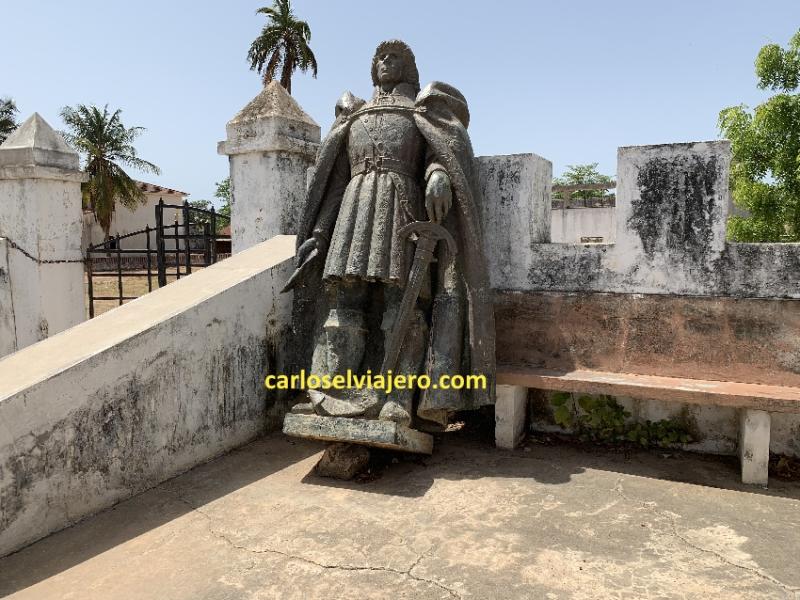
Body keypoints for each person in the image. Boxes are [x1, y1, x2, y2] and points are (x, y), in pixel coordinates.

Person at [289, 39, 495, 428]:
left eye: (394, 56)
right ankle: (328, 392)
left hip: (402, 211)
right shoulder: (355, 115)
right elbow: (334, 182)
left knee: (402, 307)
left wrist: (437, 175)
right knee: (342, 305)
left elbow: (439, 154)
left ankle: (397, 398)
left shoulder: (422, 111)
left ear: (409, 67)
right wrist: (318, 232)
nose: (386, 61)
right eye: (380, 57)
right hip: (354, 211)